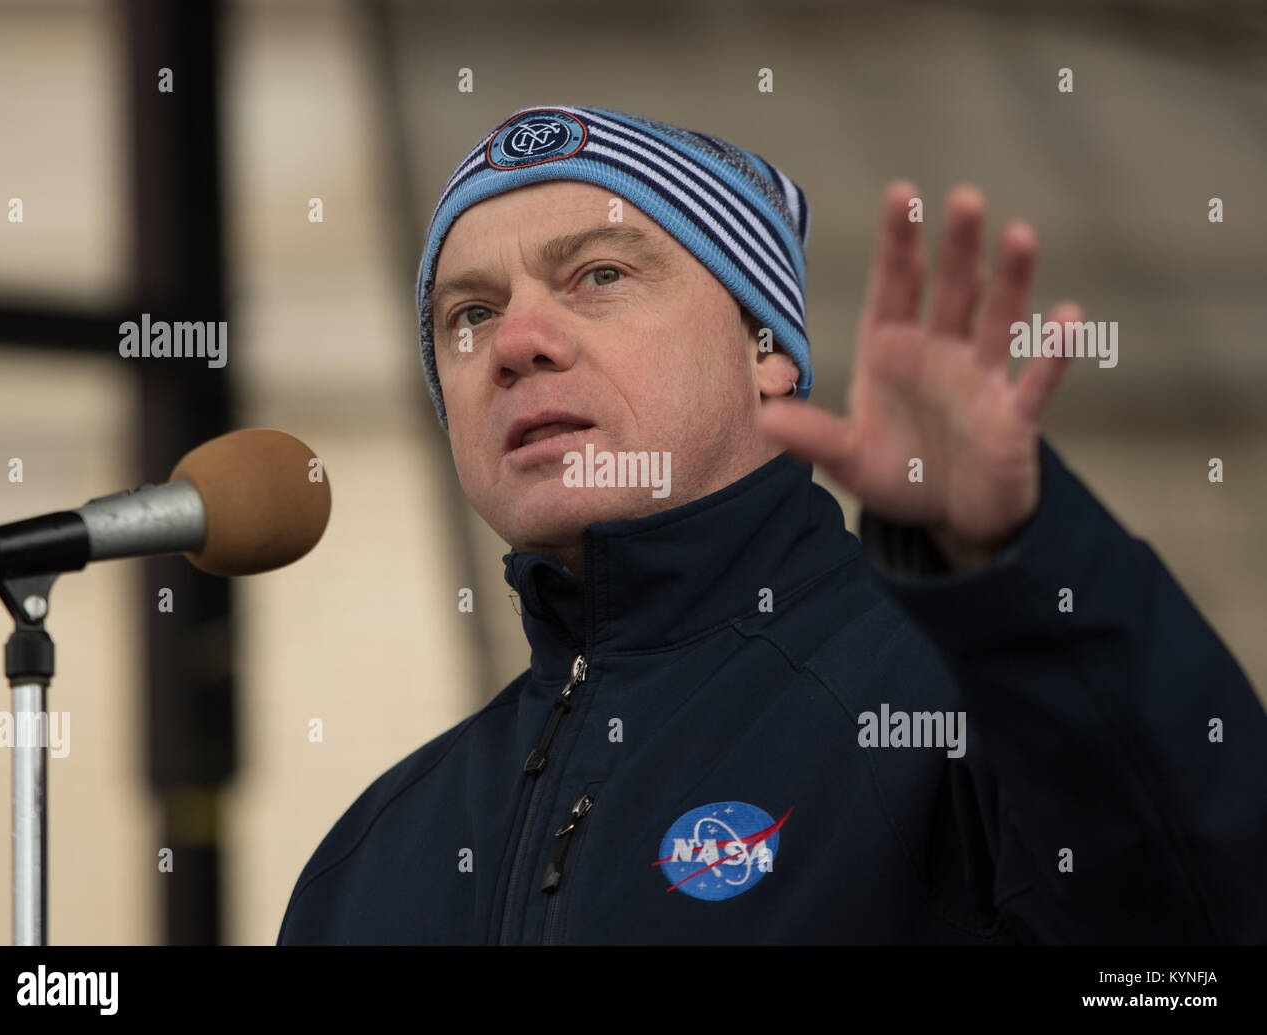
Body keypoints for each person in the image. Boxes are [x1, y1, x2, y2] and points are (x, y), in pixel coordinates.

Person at [277, 104, 1267, 944]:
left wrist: (1021, 556)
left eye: (600, 277)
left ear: (768, 351)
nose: (518, 343)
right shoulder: (370, 859)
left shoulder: (973, 705)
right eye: (469, 315)